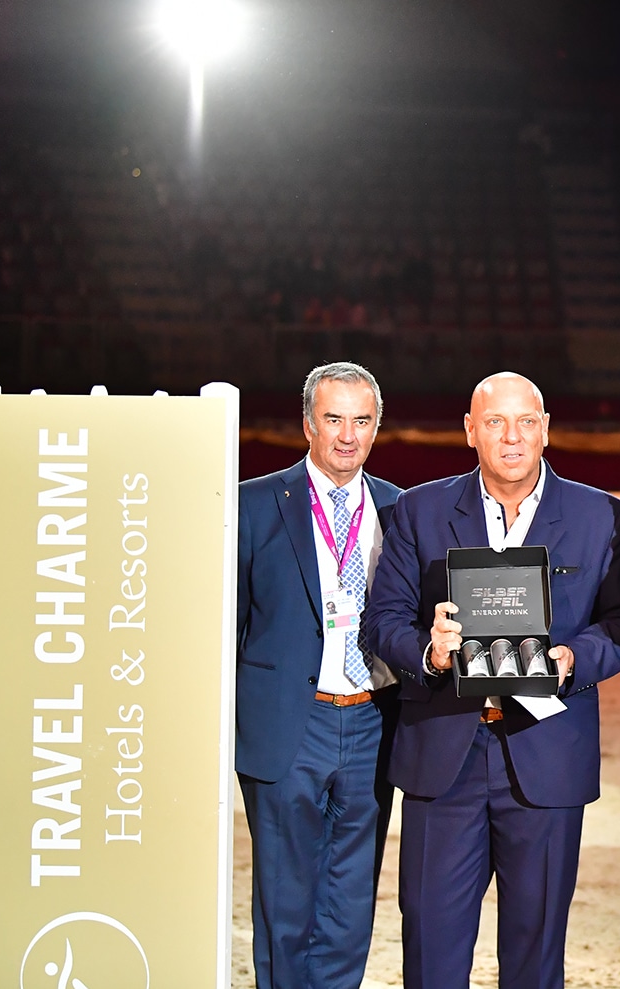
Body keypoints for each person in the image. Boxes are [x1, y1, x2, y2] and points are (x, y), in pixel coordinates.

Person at [364, 372, 620, 989]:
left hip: (545, 762)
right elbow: (381, 621)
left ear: (546, 429)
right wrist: (429, 651)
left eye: (526, 422)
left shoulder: (603, 517)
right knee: (431, 947)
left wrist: (574, 659)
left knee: (536, 951)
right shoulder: (419, 510)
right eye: (495, 422)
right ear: (471, 431)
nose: (512, 437)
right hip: (444, 761)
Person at [236, 361, 402, 989]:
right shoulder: (254, 503)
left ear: (377, 428)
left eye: (361, 421)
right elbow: (232, 624)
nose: (347, 435)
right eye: (333, 418)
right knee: (285, 897)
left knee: (351, 900)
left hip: (372, 720)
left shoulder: (400, 508)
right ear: (307, 423)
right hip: (287, 725)